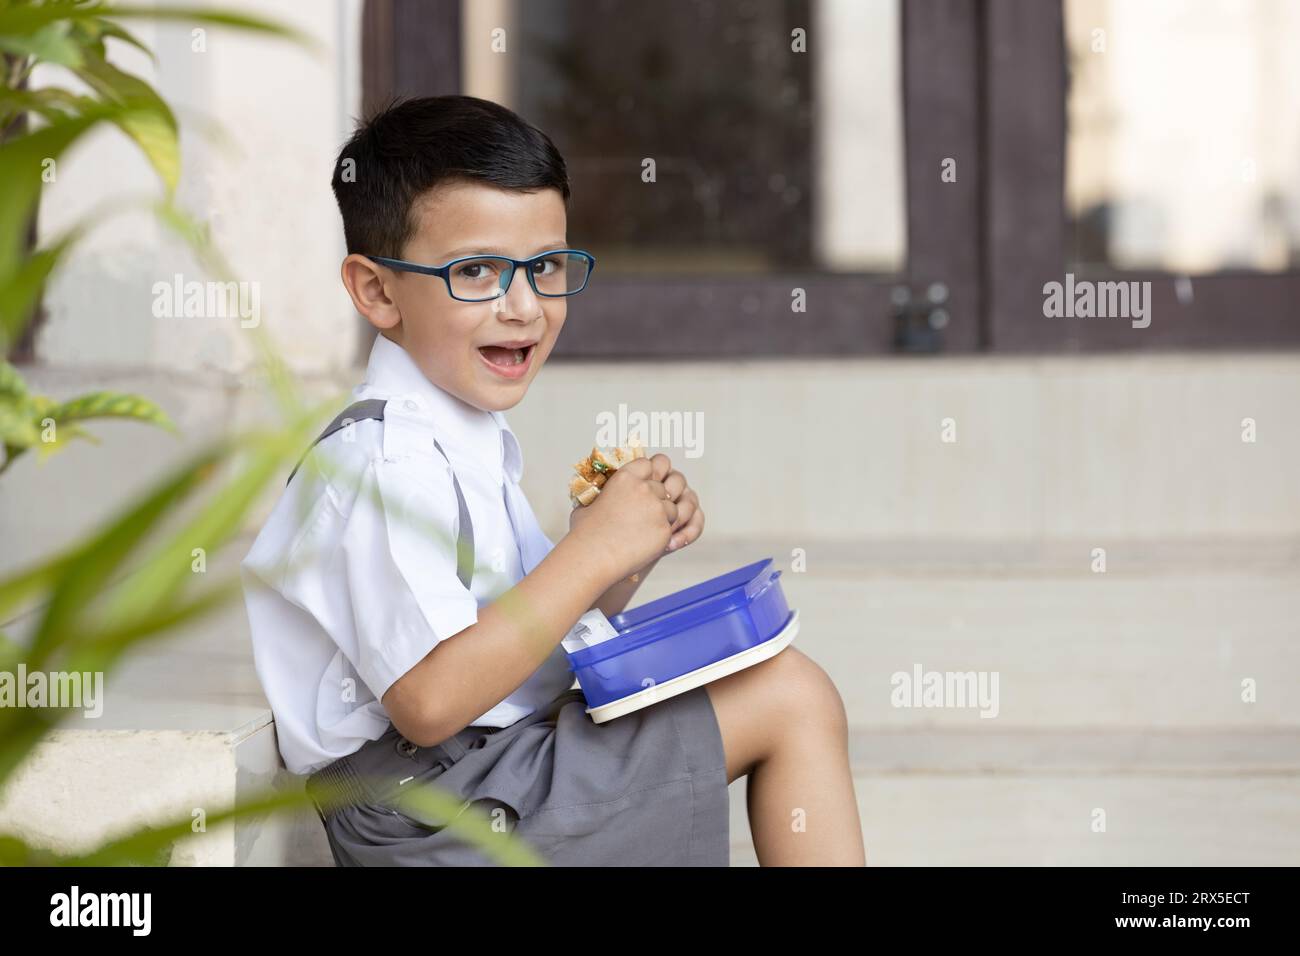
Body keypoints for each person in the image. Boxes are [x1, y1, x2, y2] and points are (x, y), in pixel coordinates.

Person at [240, 94, 864, 866]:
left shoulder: (460, 431)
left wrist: (622, 554)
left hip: (480, 771)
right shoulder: (382, 460)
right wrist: (591, 555)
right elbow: (430, 700)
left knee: (781, 685)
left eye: (546, 267)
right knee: (790, 697)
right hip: (427, 808)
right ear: (376, 292)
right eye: (476, 271)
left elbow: (519, 650)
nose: (524, 306)